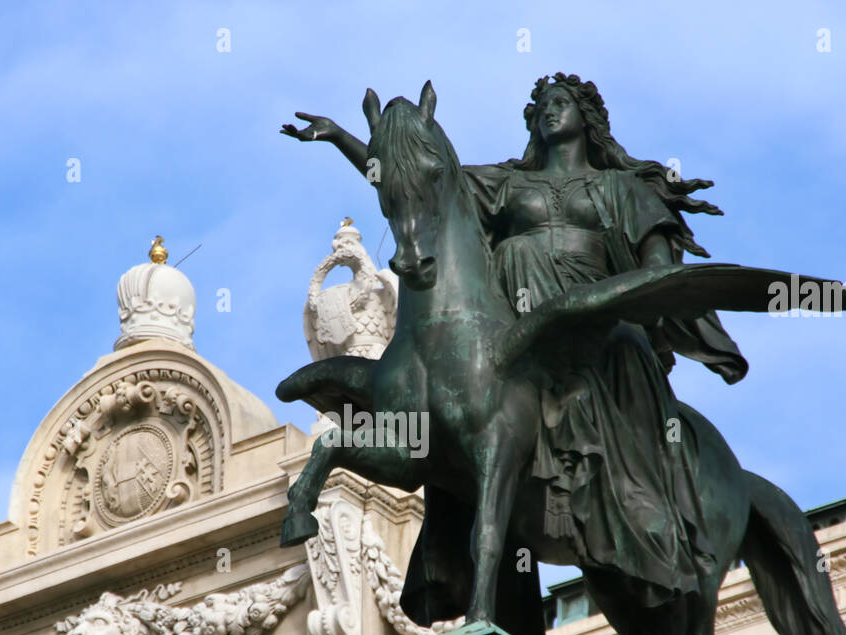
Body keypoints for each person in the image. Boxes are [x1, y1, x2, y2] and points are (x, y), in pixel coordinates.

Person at [282, 73, 742, 604]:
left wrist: (611, 301)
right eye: (542, 104)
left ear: (587, 118)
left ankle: (647, 504)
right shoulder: (509, 185)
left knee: (618, 359)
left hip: (594, 322)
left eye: (562, 102)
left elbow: (657, 271)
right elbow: (416, 172)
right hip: (516, 329)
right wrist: (342, 137)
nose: (549, 111)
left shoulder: (625, 190)